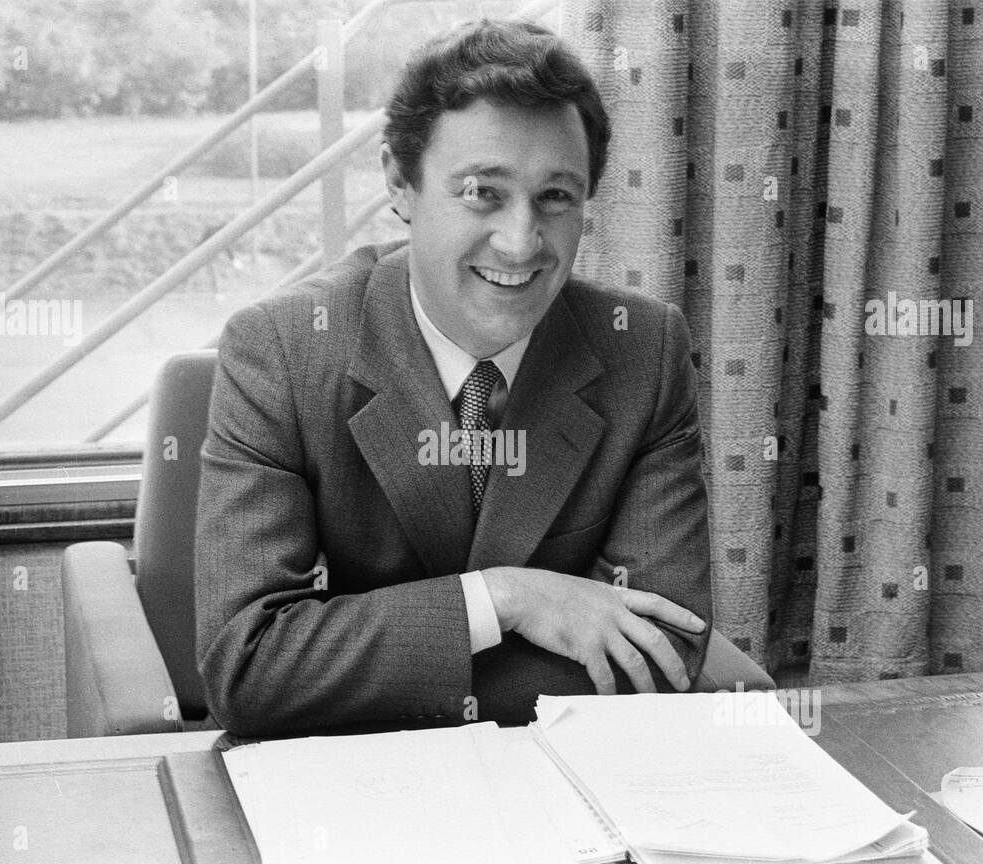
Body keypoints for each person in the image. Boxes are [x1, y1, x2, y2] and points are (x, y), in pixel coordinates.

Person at [195, 18, 712, 738]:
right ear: (400, 184)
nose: (522, 241)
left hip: (565, 794)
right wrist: (501, 599)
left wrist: (346, 668)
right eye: (481, 192)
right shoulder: (280, 350)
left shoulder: (645, 350)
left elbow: (660, 651)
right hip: (341, 802)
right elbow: (247, 671)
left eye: (556, 197)